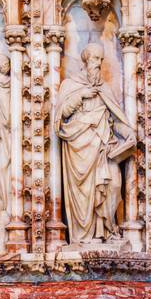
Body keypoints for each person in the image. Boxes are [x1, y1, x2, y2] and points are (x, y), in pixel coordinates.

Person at [56, 41, 135, 244]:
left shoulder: (104, 88)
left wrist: (128, 133)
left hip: (103, 147)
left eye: (101, 60)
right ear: (86, 59)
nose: (98, 63)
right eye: (95, 59)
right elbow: (61, 116)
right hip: (79, 149)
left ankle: (107, 230)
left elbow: (114, 120)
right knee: (84, 197)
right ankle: (84, 237)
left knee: (114, 185)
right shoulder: (70, 85)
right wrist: (80, 96)